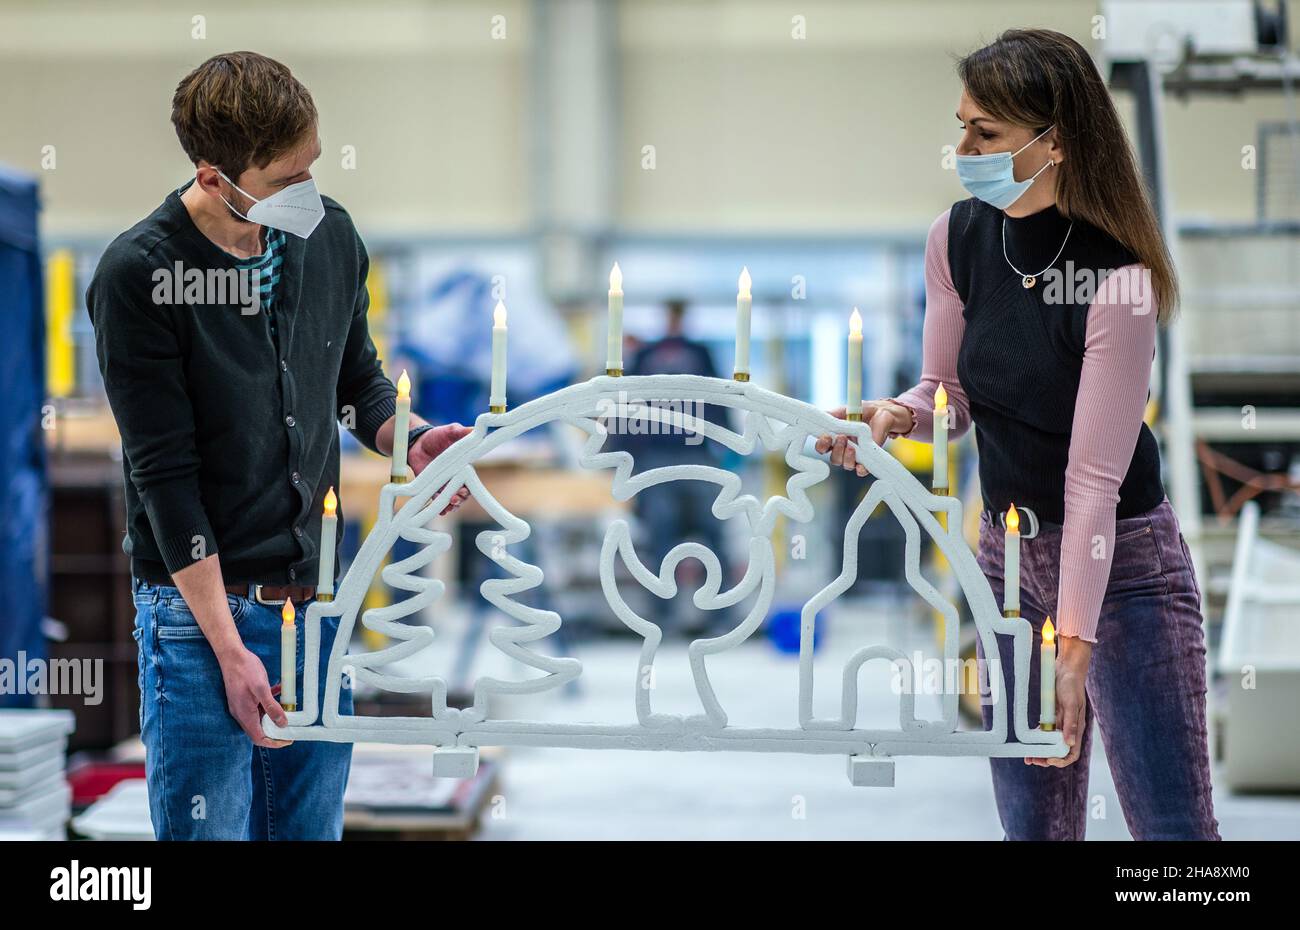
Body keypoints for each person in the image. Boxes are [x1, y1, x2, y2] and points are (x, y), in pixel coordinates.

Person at [817, 29, 1218, 840]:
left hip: (1121, 563)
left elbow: (1092, 484)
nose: (962, 148)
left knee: (1174, 837)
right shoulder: (958, 239)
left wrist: (1073, 653)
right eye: (961, 125)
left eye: (985, 134)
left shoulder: (1118, 281)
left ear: (1056, 143)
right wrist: (900, 414)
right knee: (1033, 828)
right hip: (1004, 565)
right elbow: (951, 395)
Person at [87, 51, 470, 840]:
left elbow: (355, 381)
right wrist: (229, 652)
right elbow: (163, 477)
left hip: (316, 603)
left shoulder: (327, 237)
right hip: (200, 618)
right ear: (214, 175)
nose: (307, 194)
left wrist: (411, 438)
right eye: (283, 180)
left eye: (312, 169)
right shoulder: (141, 274)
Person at [618, 300, 732, 634]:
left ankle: (720, 613)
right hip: (655, 459)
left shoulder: (700, 353)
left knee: (713, 534)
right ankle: (662, 616)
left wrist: (725, 447)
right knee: (660, 537)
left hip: (698, 458)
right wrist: (624, 457)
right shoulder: (645, 356)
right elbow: (626, 406)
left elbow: (720, 398)